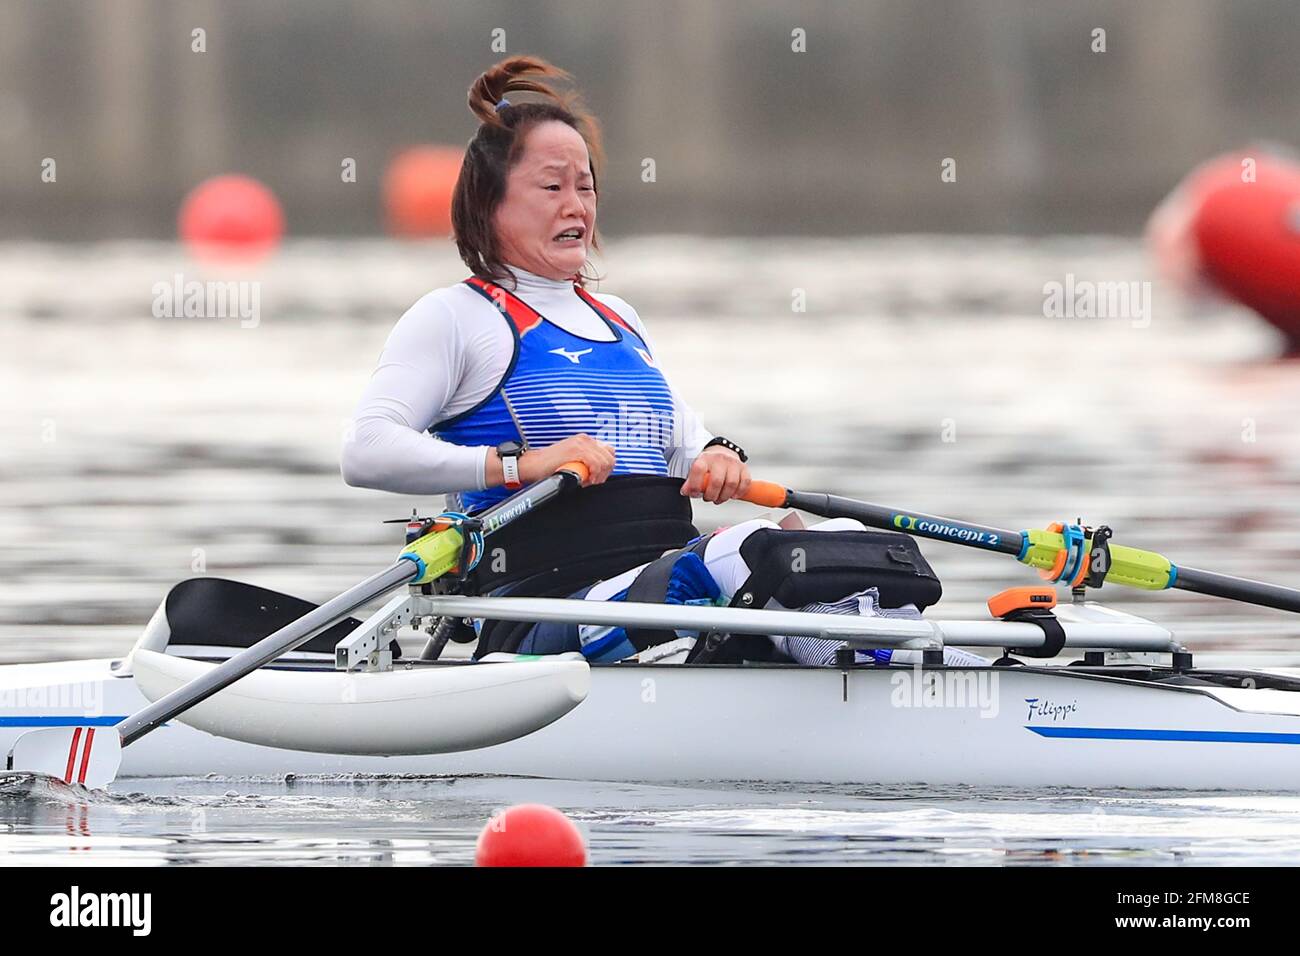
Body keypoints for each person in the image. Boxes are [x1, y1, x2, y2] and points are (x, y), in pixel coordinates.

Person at [343, 55, 982, 667]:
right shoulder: (456, 317)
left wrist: (718, 457)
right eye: (552, 187)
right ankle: (898, 668)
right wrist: (521, 464)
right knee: (755, 553)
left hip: (661, 597)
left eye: (586, 187)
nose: (577, 206)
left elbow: (681, 440)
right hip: (543, 615)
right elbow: (366, 450)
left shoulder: (619, 318)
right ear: (488, 202)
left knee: (842, 543)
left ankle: (905, 662)